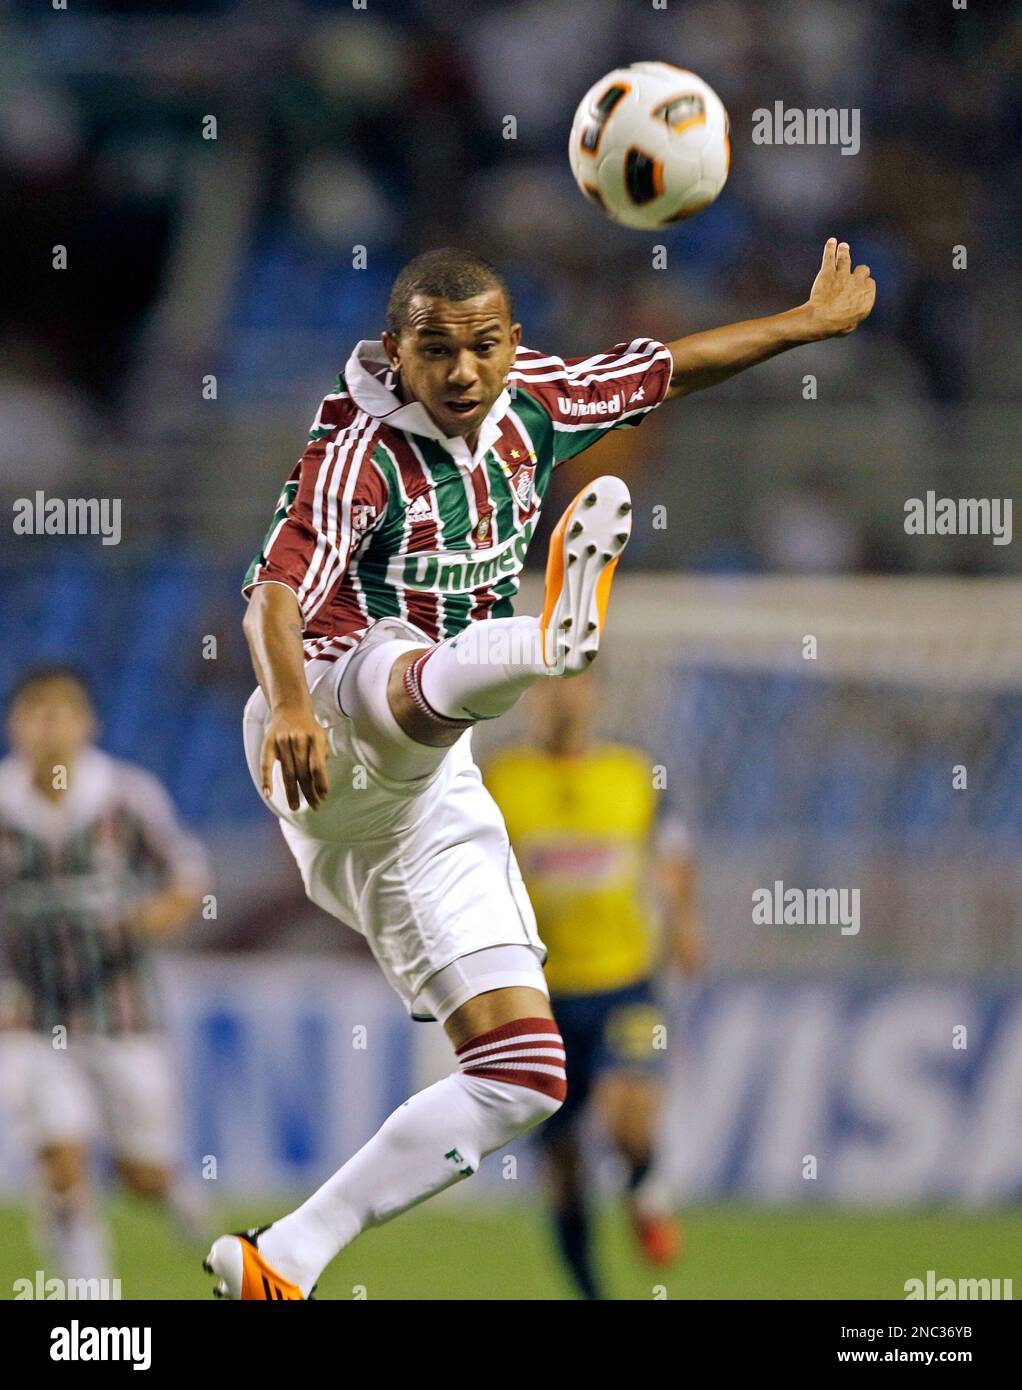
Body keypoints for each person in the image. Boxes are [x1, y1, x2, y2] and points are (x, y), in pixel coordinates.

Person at [206, 241, 874, 1299]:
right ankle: (545, 643)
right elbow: (273, 597)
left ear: (512, 344)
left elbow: (666, 368)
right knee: (392, 669)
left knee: (522, 1078)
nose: (463, 371)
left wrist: (800, 324)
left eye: (482, 346)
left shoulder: (539, 401)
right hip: (320, 731)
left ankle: (282, 1256)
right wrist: (288, 697)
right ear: (396, 352)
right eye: (436, 350)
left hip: (428, 797)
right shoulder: (357, 452)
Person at [485, 673, 703, 1299]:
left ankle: (643, 1186)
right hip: (535, 993)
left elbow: (672, 852)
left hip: (625, 981)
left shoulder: (634, 774)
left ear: (598, 695)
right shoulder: (499, 779)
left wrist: (686, 924)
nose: (563, 700)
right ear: (531, 696)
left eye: (575, 688)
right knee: (562, 1167)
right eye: (550, 688)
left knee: (626, 1121)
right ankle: (591, 1292)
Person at [0, 665, 209, 1294]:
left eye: (63, 710)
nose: (49, 725)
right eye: (36, 711)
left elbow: (186, 875)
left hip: (121, 1012)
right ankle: (92, 1301)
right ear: (15, 724)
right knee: (60, 1159)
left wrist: (156, 917)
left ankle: (172, 1189)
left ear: (87, 722)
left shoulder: (125, 796)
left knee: (140, 1173)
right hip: (31, 1014)